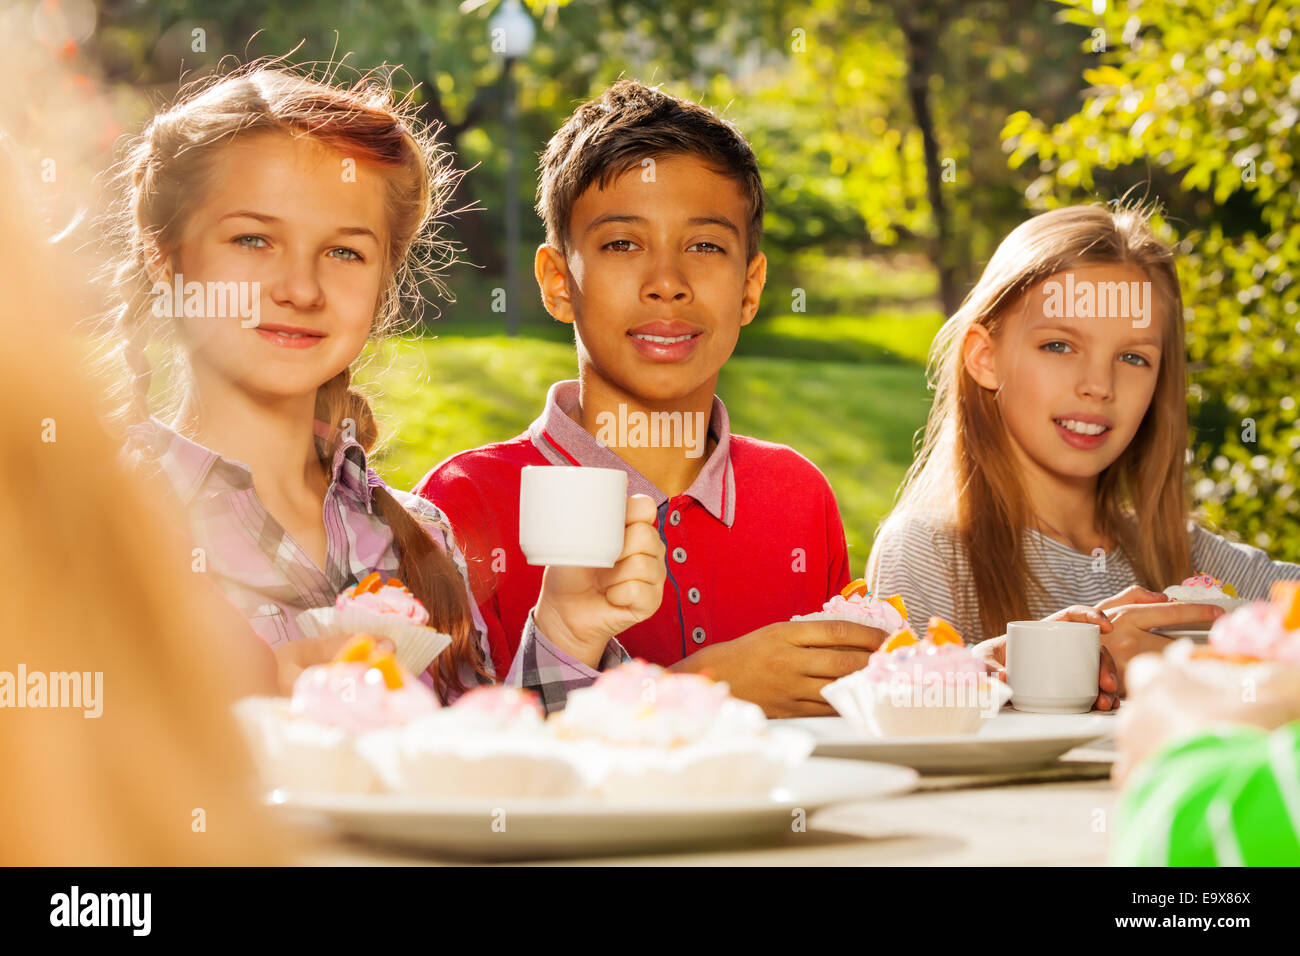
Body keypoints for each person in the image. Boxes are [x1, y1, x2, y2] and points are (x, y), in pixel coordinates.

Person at [103, 64, 664, 708]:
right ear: (163, 255)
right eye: (253, 239)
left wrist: (567, 630)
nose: (301, 289)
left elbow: (477, 777)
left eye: (345, 252)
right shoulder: (99, 522)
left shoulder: (420, 535)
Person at [416, 80, 879, 718]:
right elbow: (449, 767)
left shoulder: (799, 495)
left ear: (750, 288)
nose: (667, 284)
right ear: (558, 283)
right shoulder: (463, 502)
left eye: (706, 246)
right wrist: (706, 688)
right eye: (623, 245)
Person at [867, 203, 1299, 689]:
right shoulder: (929, 551)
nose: (1098, 384)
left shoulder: (1194, 559)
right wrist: (1054, 663)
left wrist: (1208, 666)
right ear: (985, 357)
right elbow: (913, 736)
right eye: (1059, 346)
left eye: (1133, 357)